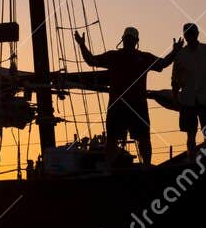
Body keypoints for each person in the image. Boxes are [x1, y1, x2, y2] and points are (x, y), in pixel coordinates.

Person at [74, 26, 174, 164]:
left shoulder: (142, 57)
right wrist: (82, 45)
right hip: (120, 105)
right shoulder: (114, 56)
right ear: (123, 40)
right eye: (127, 39)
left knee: (143, 138)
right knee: (113, 139)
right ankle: (110, 168)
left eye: (131, 39)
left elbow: (162, 63)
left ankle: (146, 167)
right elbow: (91, 61)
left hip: (135, 104)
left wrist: (174, 52)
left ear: (136, 41)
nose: (129, 42)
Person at [172, 22, 206, 157]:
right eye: (188, 34)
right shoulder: (180, 54)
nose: (190, 36)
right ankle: (191, 161)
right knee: (191, 135)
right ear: (185, 36)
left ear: (197, 34)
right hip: (188, 100)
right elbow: (175, 80)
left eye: (192, 34)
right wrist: (175, 97)